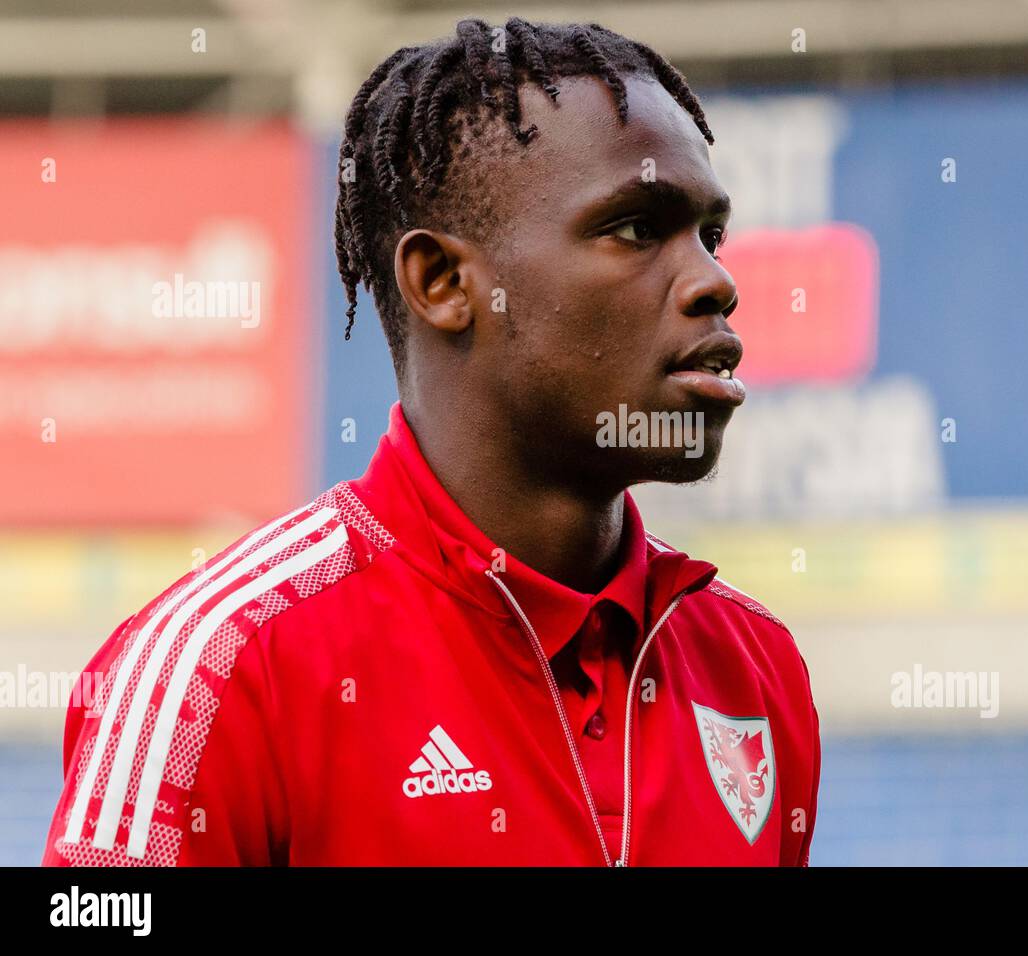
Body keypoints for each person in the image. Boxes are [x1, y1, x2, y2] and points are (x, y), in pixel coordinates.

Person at [43, 17, 820, 866]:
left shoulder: (754, 669)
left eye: (710, 235)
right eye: (635, 229)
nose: (716, 281)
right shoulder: (214, 676)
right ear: (445, 283)